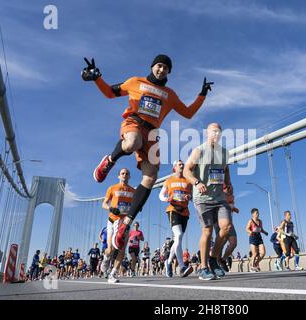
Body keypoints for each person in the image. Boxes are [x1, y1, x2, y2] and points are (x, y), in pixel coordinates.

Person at [82, 55, 213, 252]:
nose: (162, 70)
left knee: (151, 177)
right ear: (153, 66)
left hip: (152, 134)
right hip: (133, 123)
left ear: (169, 72)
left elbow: (188, 113)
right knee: (133, 142)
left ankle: (125, 224)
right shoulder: (135, 82)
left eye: (166, 68)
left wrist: (202, 95)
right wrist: (96, 78)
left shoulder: (169, 94)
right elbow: (110, 92)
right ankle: (109, 160)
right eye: (159, 66)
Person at [183, 123, 234, 281]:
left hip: (219, 197)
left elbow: (225, 169)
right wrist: (196, 182)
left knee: (226, 227)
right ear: (207, 133)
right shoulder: (199, 150)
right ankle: (204, 268)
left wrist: (229, 183)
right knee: (208, 231)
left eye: (218, 131)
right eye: (213, 131)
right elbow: (186, 170)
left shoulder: (224, 152)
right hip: (202, 198)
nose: (216, 134)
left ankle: (213, 257)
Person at [159, 160, 193, 278]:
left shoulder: (188, 181)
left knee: (178, 240)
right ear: (174, 168)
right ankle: (182, 267)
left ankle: (168, 263)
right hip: (173, 210)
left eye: (183, 164)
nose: (182, 166)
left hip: (185, 212)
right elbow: (161, 195)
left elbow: (192, 196)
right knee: (178, 236)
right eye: (179, 165)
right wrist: (166, 199)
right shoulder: (169, 180)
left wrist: (190, 196)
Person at [101, 168, 135, 283]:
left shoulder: (133, 191)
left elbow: (136, 205)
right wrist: (111, 208)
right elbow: (104, 204)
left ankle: (112, 274)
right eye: (122, 173)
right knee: (110, 249)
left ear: (129, 176)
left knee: (121, 249)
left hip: (125, 223)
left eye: (127, 173)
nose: (125, 175)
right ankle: (105, 259)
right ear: (118, 176)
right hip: (113, 220)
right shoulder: (112, 188)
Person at [214, 183, 240, 272]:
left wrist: (234, 208)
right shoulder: (219, 195)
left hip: (230, 223)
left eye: (231, 188)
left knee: (233, 243)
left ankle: (223, 259)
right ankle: (216, 261)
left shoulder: (231, 197)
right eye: (227, 188)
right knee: (221, 242)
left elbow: (228, 207)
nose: (229, 189)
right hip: (219, 222)